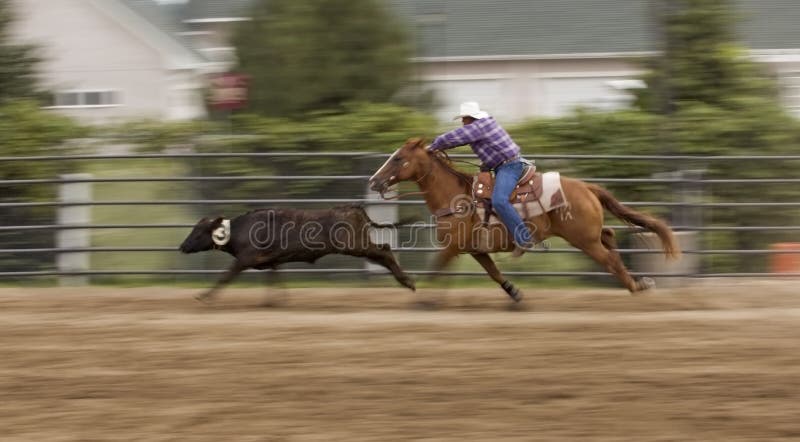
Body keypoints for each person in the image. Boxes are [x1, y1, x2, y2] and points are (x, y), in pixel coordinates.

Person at [427, 101, 536, 255]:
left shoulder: (478, 127)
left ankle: (524, 238)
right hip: (503, 166)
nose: (463, 122)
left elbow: (456, 137)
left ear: (471, 118)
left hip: (510, 166)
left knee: (499, 200)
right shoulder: (483, 125)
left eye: (464, 119)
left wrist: (433, 146)